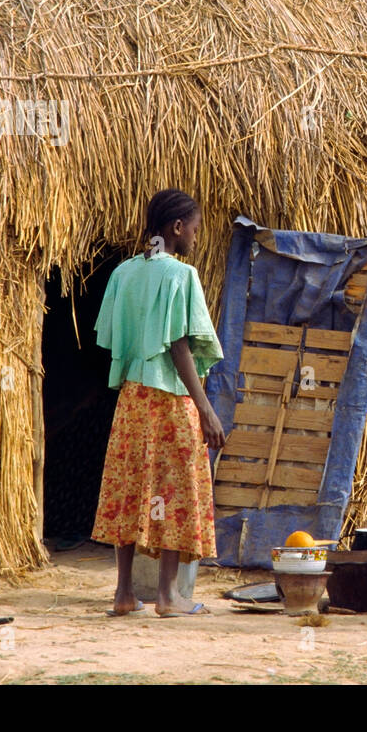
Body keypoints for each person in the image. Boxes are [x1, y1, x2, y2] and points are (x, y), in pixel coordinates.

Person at [91, 189, 227, 617]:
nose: (195, 238)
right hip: (171, 400)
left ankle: (124, 593)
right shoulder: (180, 276)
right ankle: (168, 596)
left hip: (133, 399)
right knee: (176, 488)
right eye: (195, 229)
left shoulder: (123, 275)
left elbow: (112, 337)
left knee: (130, 486)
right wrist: (205, 407)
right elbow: (179, 345)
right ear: (176, 227)